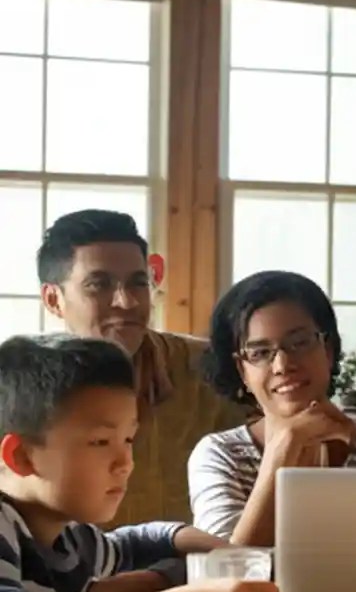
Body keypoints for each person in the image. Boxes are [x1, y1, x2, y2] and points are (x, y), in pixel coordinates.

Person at [0, 334, 279, 592]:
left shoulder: (69, 539)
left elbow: (127, 546)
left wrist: (188, 540)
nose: (125, 462)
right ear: (21, 456)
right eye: (100, 442)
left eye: (128, 439)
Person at [37, 210, 246, 527]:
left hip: (197, 570)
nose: (127, 302)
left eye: (138, 283)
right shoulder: (21, 390)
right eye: (99, 285)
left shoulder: (210, 369)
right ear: (54, 300)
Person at [188, 271, 356, 546]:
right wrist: (282, 451)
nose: (283, 365)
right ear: (242, 371)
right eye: (261, 353)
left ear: (329, 349)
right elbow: (224, 574)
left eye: (299, 343)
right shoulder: (220, 455)